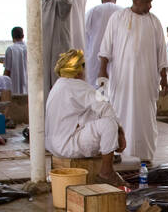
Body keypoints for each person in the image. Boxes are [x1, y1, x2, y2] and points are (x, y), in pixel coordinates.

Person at [97, 0, 168, 162]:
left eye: (151, 2)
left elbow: (161, 51)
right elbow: (106, 48)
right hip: (122, 80)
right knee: (120, 113)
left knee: (146, 117)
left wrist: (164, 77)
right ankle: (120, 153)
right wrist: (102, 70)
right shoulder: (117, 18)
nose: (150, 6)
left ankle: (145, 156)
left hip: (147, 81)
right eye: (147, 2)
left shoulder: (154, 21)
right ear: (136, 1)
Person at [45, 48, 125, 184]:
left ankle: (106, 153)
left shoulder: (58, 85)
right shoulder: (77, 85)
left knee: (92, 113)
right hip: (67, 146)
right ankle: (107, 172)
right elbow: (105, 106)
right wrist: (120, 133)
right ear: (79, 70)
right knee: (109, 124)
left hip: (53, 146)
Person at [41, 0, 73, 97]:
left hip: (58, 54)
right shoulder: (41, 3)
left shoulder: (61, 2)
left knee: (60, 90)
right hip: (44, 56)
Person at [84, 0, 118, 87]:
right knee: (116, 93)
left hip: (95, 61)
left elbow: (85, 36)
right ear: (114, 0)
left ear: (102, 0)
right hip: (117, 60)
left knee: (99, 94)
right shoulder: (122, 11)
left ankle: (101, 100)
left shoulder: (92, 11)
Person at [4, 27, 28, 95]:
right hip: (29, 87)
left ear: (12, 37)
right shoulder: (30, 48)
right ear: (23, 36)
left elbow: (7, 71)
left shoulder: (10, 49)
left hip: (14, 87)